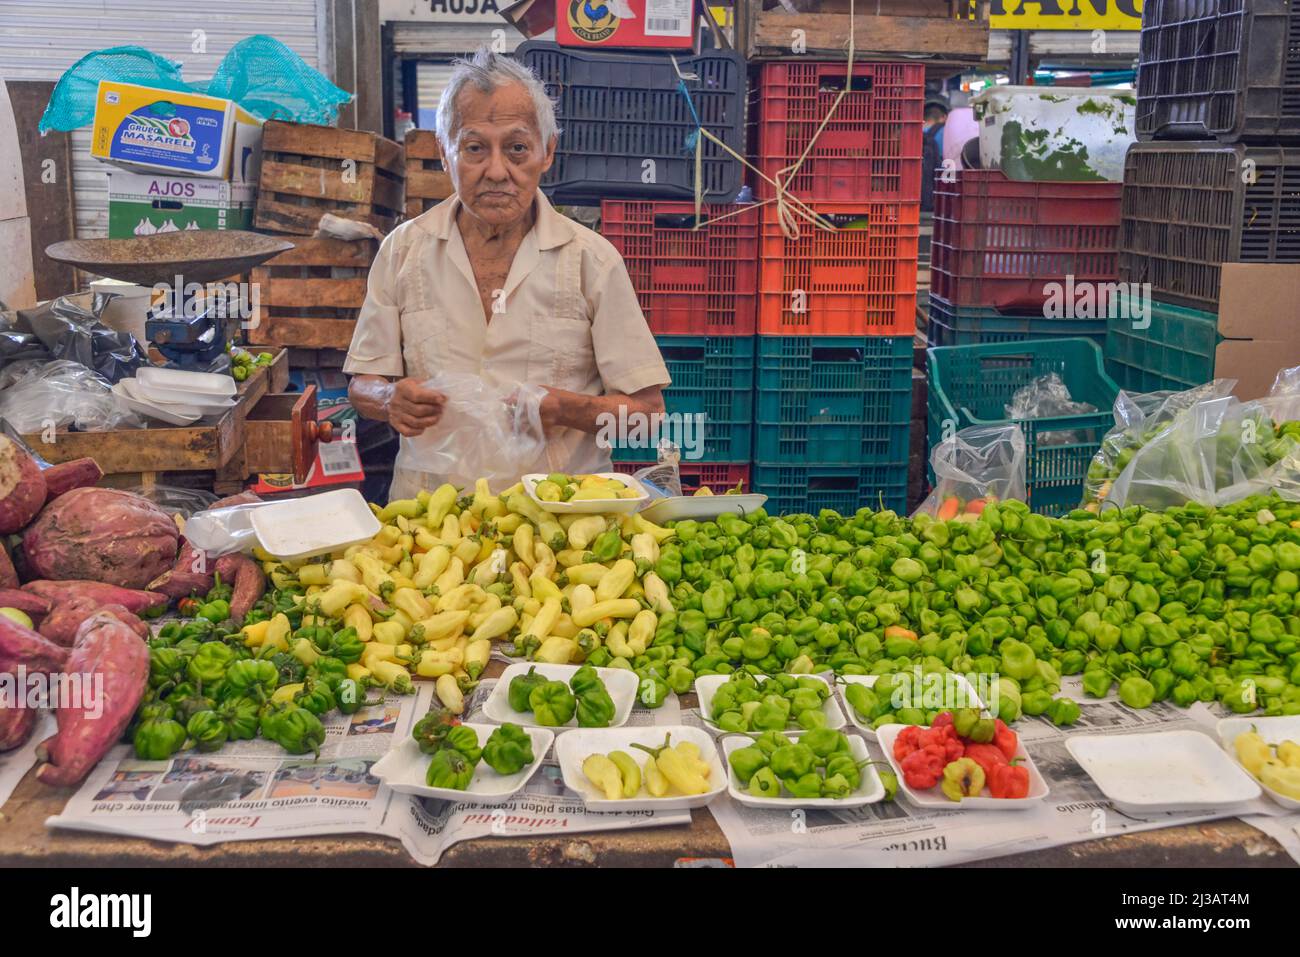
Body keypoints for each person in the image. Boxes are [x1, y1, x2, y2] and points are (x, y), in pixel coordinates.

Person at [344, 48, 670, 499]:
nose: (497, 171)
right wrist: (387, 400)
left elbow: (647, 414)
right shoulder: (403, 250)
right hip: (430, 523)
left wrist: (568, 410)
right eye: (474, 148)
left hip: (559, 522)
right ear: (445, 153)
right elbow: (363, 382)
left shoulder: (592, 261)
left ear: (547, 151)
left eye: (517, 148)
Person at [920, 100, 949, 212]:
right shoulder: (945, 131)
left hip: (914, 195)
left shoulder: (913, 131)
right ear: (944, 117)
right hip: (939, 195)